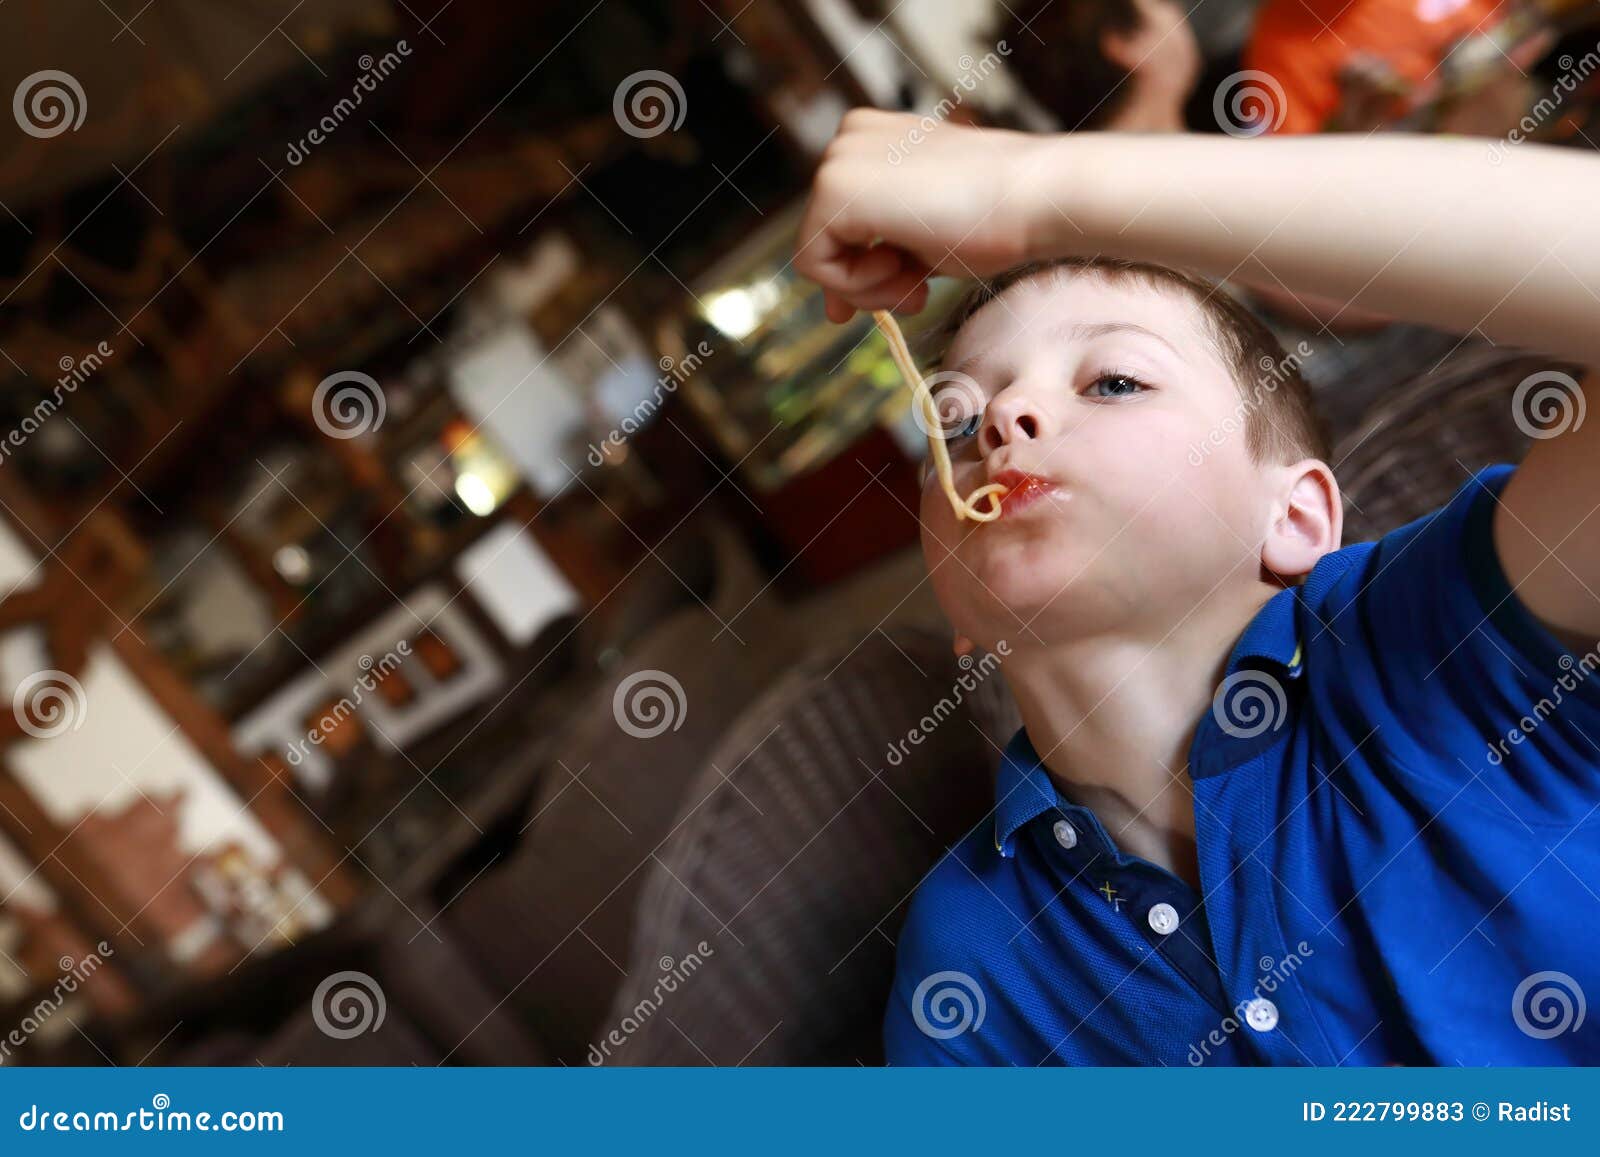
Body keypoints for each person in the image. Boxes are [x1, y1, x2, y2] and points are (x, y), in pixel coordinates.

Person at [794, 109, 1599, 1065]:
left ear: (1295, 520)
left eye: (1114, 381)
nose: (1003, 414)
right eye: (955, 421)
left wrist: (1035, 188)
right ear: (958, 619)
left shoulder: (1430, 642)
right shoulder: (971, 968)